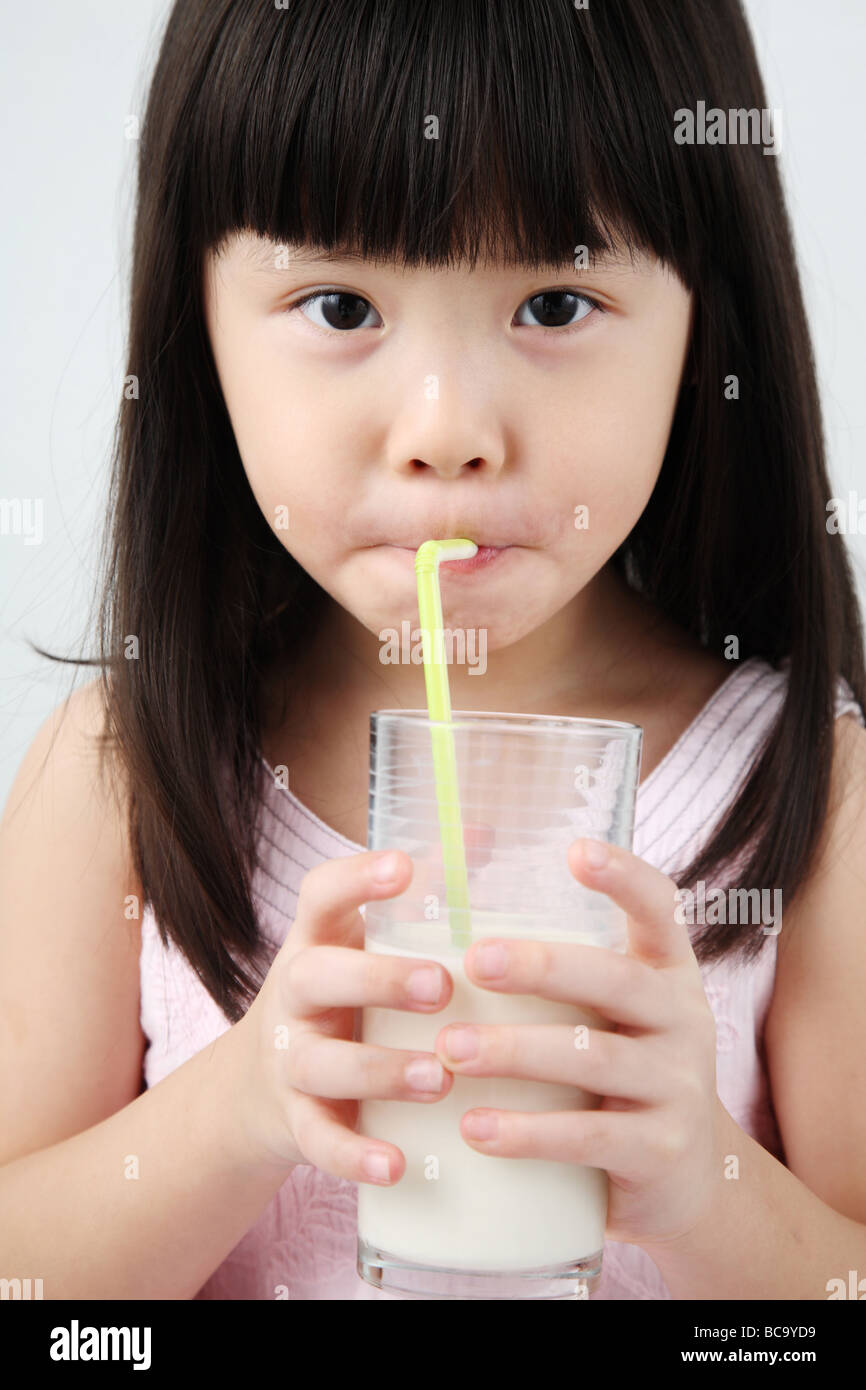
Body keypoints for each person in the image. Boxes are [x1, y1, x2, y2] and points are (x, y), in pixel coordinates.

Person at [2, 0, 865, 1301]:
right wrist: (236, 1109)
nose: (446, 429)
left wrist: (704, 1188)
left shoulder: (817, 803)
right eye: (341, 303)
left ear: (705, 316)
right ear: (198, 318)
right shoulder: (118, 776)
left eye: (556, 300)